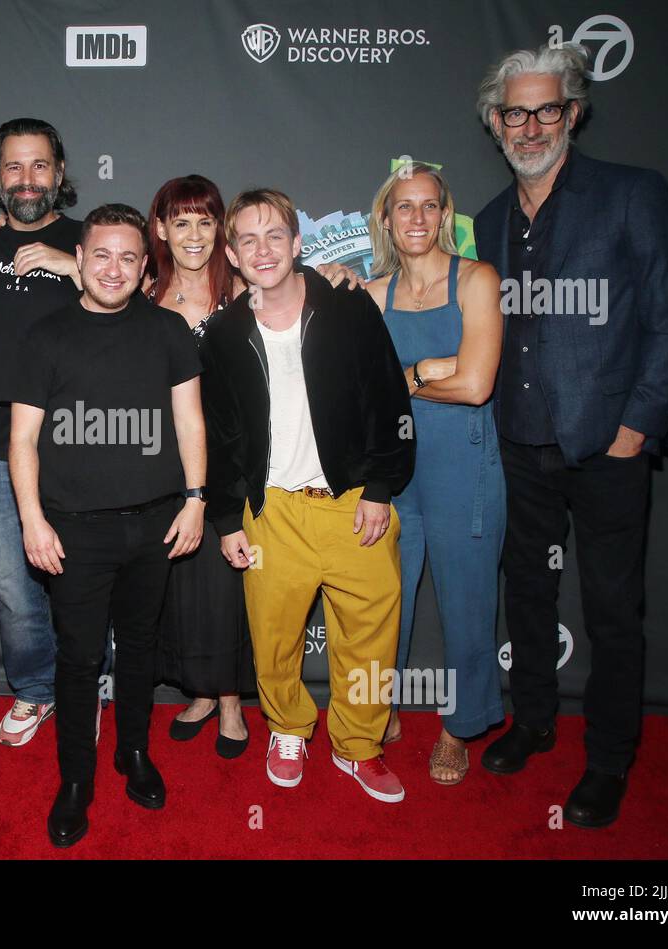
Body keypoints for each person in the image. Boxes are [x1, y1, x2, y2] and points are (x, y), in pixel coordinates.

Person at [473, 44, 668, 826]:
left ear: (572, 112)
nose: (529, 126)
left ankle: (608, 758)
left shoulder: (633, 195)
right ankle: (534, 720)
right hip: (520, 444)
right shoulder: (493, 219)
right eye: (514, 112)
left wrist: (636, 428)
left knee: (610, 610)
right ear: (495, 122)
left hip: (610, 447)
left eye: (545, 109)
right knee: (529, 595)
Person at [203, 189, 414, 801]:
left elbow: (388, 402)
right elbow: (220, 436)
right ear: (233, 254)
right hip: (273, 511)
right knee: (273, 638)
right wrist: (227, 519)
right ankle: (289, 728)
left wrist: (379, 487)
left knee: (371, 637)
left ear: (298, 245)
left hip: (354, 503)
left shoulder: (348, 309)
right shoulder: (221, 334)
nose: (262, 249)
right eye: (248, 239)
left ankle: (360, 745)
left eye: (275, 236)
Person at [8, 204, 206, 847]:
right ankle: (75, 779)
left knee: (142, 649)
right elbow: (23, 441)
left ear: (145, 265)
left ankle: (135, 753)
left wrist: (197, 499)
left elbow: (189, 423)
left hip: (155, 523)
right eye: (101, 255)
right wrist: (32, 520)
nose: (114, 269)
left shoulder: (170, 329)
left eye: (128, 257)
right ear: (81, 258)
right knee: (79, 658)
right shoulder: (45, 336)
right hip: (73, 531)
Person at [364, 162, 505, 784]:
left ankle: (460, 725)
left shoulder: (477, 279)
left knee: (467, 603)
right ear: (386, 219)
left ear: (445, 215)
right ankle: (384, 704)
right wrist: (436, 367)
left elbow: (475, 385)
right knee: (382, 602)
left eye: (428, 206)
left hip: (463, 464)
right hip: (396, 470)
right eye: (404, 207)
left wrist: (411, 377)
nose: (416, 218)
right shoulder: (372, 294)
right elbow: (364, 392)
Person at [0, 118, 83, 747]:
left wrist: (72, 264)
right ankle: (37, 690)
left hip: (81, 443)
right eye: (13, 167)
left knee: (81, 582)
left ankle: (84, 685)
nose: (27, 179)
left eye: (39, 165)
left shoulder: (90, 240)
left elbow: (139, 300)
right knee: (13, 586)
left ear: (59, 174)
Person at [144, 175, 254, 757]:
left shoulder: (243, 291)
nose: (193, 234)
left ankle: (231, 698)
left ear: (221, 229)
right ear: (160, 229)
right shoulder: (143, 294)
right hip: (162, 461)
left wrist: (345, 275)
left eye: (205, 221)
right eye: (180, 221)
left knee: (221, 583)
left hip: (230, 461)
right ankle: (201, 691)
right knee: (179, 584)